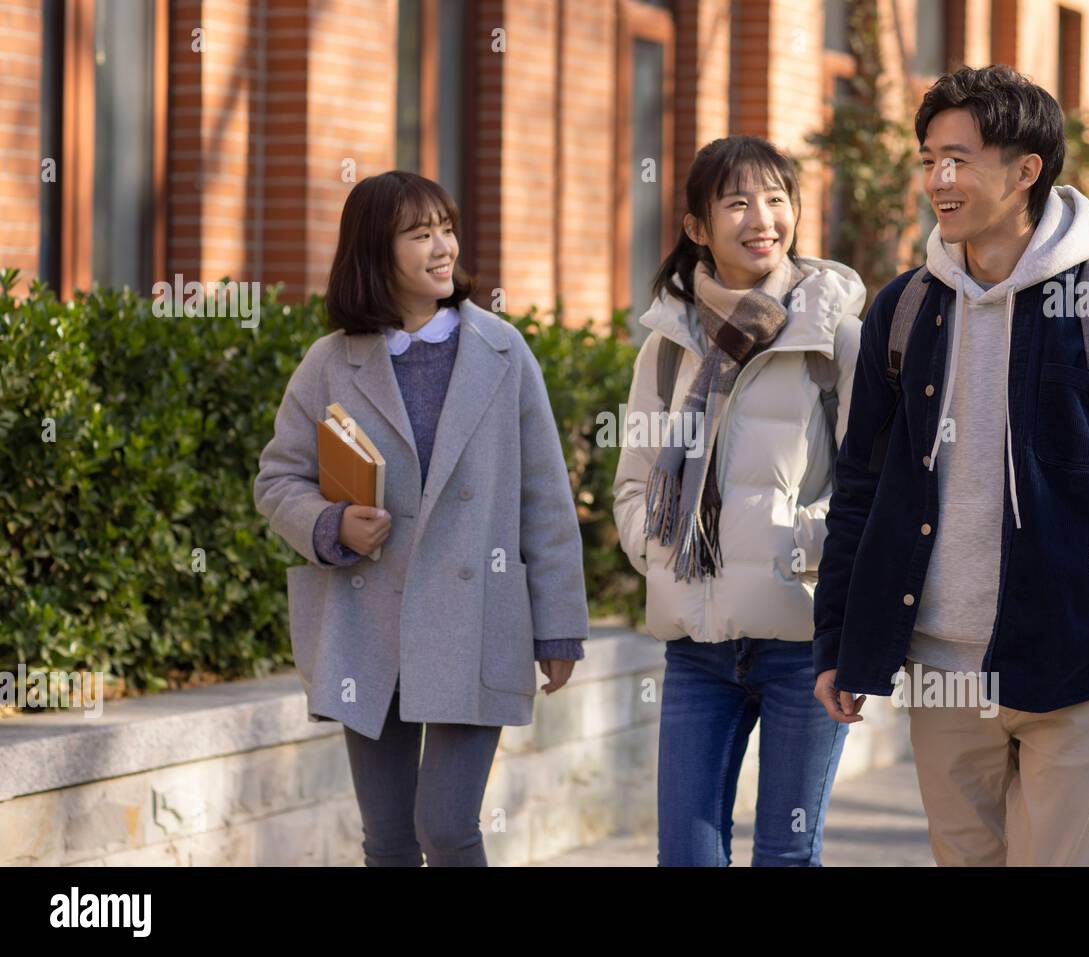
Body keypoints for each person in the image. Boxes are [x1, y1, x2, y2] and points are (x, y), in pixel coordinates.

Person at [813, 65, 1089, 866]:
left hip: (1071, 663)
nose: (937, 181)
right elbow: (861, 484)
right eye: (927, 161)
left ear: (1027, 170)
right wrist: (837, 642)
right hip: (939, 671)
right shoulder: (903, 310)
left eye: (958, 159)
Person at [253, 170, 588, 866]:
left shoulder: (502, 351)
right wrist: (330, 524)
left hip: (478, 623)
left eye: (446, 227)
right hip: (371, 625)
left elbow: (545, 498)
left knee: (446, 826)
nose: (443, 246)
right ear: (376, 252)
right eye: (419, 233)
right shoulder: (330, 362)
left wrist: (559, 623)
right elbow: (278, 478)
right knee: (390, 840)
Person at [613, 135, 867, 865]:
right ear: (697, 226)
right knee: (687, 856)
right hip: (697, 645)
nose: (763, 218)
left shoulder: (834, 341)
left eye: (778, 198)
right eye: (738, 202)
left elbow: (864, 492)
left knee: (785, 853)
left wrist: (789, 549)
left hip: (805, 645)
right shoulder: (666, 347)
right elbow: (633, 482)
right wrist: (661, 548)